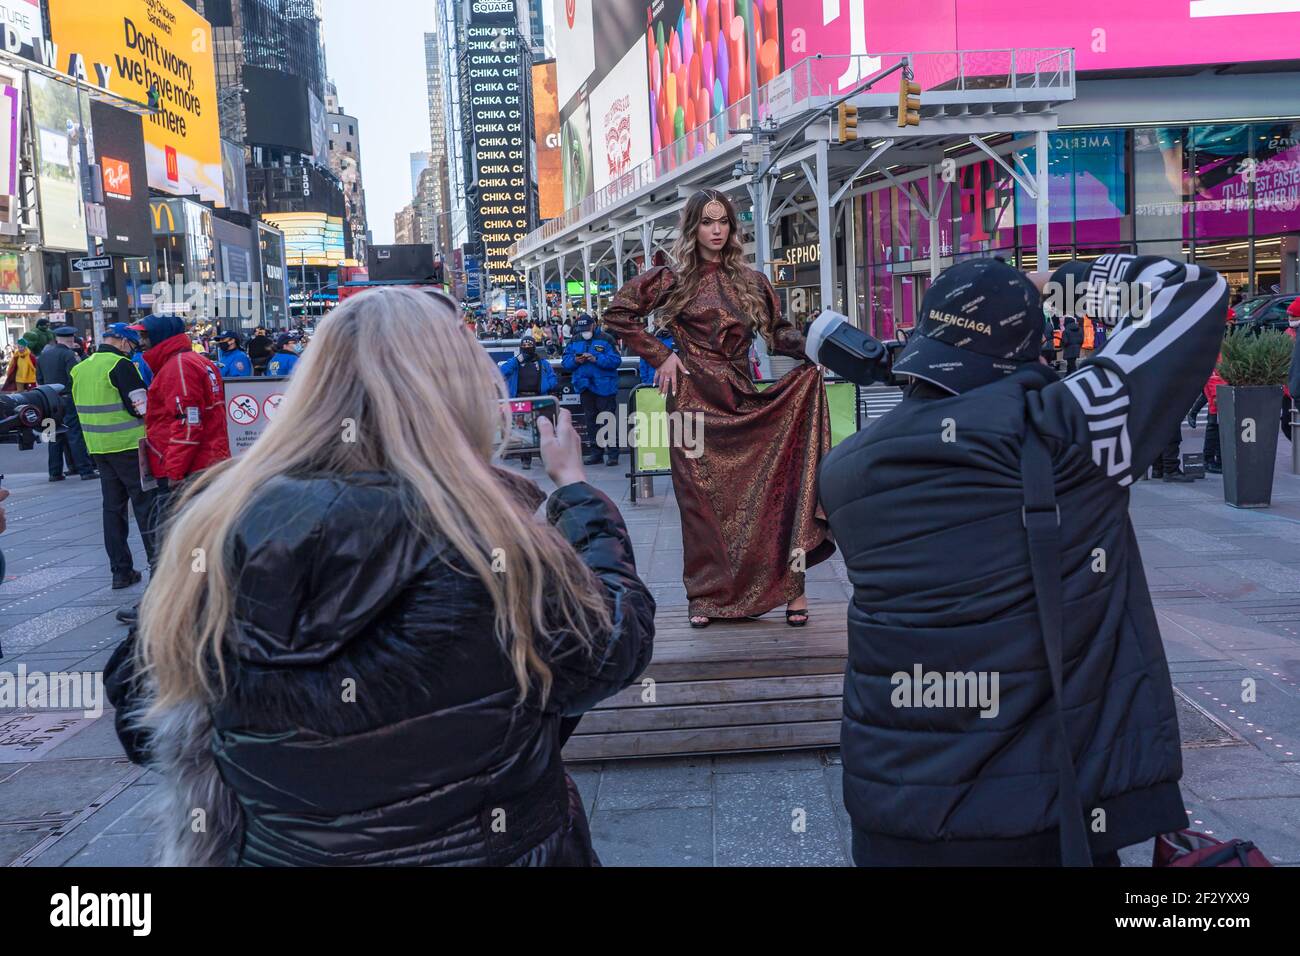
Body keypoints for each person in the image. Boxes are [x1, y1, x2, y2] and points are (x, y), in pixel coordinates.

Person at [104, 287, 655, 867]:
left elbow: (146, 718)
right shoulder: (489, 537)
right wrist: (576, 495)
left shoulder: (218, 526)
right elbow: (612, 647)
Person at [819, 253, 1228, 866]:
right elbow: (1192, 290)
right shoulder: (1064, 427)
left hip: (893, 812)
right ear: (1031, 344)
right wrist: (1054, 283)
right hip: (1041, 815)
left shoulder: (844, 469)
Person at [603, 188, 834, 629]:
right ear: (693, 227)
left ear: (731, 227)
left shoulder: (751, 281)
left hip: (742, 397)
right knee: (700, 507)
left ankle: (793, 591)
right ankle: (707, 597)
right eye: (707, 221)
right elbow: (616, 314)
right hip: (691, 403)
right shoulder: (670, 278)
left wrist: (815, 349)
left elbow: (777, 333)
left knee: (777, 492)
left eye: (723, 221)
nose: (715, 229)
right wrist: (661, 354)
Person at [70, 323, 157, 590]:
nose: (133, 351)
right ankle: (157, 566)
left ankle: (120, 571)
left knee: (112, 508)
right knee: (145, 506)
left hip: (98, 447)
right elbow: (141, 407)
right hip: (129, 446)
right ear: (122, 342)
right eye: (132, 345)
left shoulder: (80, 368)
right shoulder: (121, 366)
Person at [35, 326, 97, 483]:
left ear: (57, 339)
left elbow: (40, 379)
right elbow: (76, 377)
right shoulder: (69, 355)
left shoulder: (43, 356)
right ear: (71, 340)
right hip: (67, 399)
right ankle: (85, 470)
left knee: (53, 434)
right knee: (74, 433)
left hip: (48, 399)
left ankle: (55, 473)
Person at [562, 314, 622, 469]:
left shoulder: (607, 338)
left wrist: (597, 359)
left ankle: (613, 453)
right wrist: (576, 360)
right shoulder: (575, 340)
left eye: (586, 328)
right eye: (581, 329)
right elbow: (566, 362)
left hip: (605, 387)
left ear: (594, 325)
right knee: (591, 421)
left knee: (607, 419)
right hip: (584, 386)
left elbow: (616, 360)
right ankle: (596, 453)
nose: (584, 332)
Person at [499, 333, 558, 470]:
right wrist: (517, 360)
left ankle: (545, 457)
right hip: (521, 398)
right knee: (524, 431)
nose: (526, 348)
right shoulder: (515, 363)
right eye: (524, 345)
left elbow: (553, 378)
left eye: (529, 345)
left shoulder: (542, 363)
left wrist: (547, 386)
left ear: (534, 347)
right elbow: (502, 372)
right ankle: (526, 460)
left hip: (539, 398)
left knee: (542, 430)